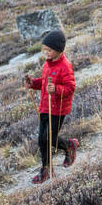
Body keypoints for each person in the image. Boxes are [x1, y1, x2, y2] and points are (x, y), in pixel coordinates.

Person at [24, 29, 77, 184]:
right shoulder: (47, 65)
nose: (45, 53)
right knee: (42, 139)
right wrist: (33, 83)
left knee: (50, 138)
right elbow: (45, 82)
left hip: (58, 109)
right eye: (44, 50)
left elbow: (70, 88)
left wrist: (57, 90)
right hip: (44, 107)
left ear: (58, 50)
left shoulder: (66, 66)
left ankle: (69, 145)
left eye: (49, 50)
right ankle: (46, 169)